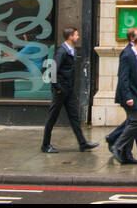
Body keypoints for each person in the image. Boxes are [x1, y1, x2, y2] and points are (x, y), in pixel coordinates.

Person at [40, 26, 97, 154]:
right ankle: (45, 145)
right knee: (52, 118)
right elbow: (52, 72)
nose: (78, 37)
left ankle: (82, 144)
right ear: (70, 37)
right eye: (76, 35)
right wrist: (59, 89)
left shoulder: (71, 50)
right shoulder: (62, 52)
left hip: (69, 91)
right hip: (61, 91)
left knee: (74, 117)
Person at [106, 28, 137, 161]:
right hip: (130, 95)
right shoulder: (127, 54)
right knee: (136, 122)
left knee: (133, 122)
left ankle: (126, 154)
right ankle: (118, 146)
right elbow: (123, 78)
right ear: (136, 41)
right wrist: (128, 97)